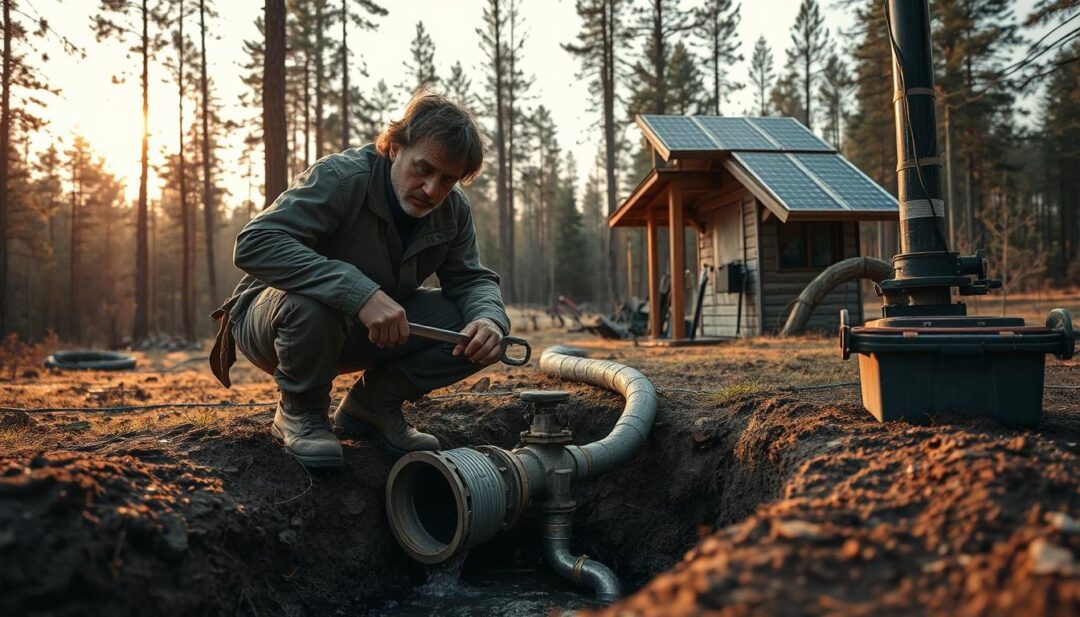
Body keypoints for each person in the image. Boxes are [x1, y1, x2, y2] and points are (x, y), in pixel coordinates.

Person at [209, 92, 510, 469]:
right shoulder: (342, 177)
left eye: (448, 180)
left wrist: (488, 319)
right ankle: (300, 411)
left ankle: (373, 405)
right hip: (272, 323)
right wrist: (360, 293)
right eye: (424, 169)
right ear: (395, 147)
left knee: (476, 326)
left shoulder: (452, 209)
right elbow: (255, 243)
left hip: (362, 333)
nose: (432, 190)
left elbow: (470, 280)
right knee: (317, 300)